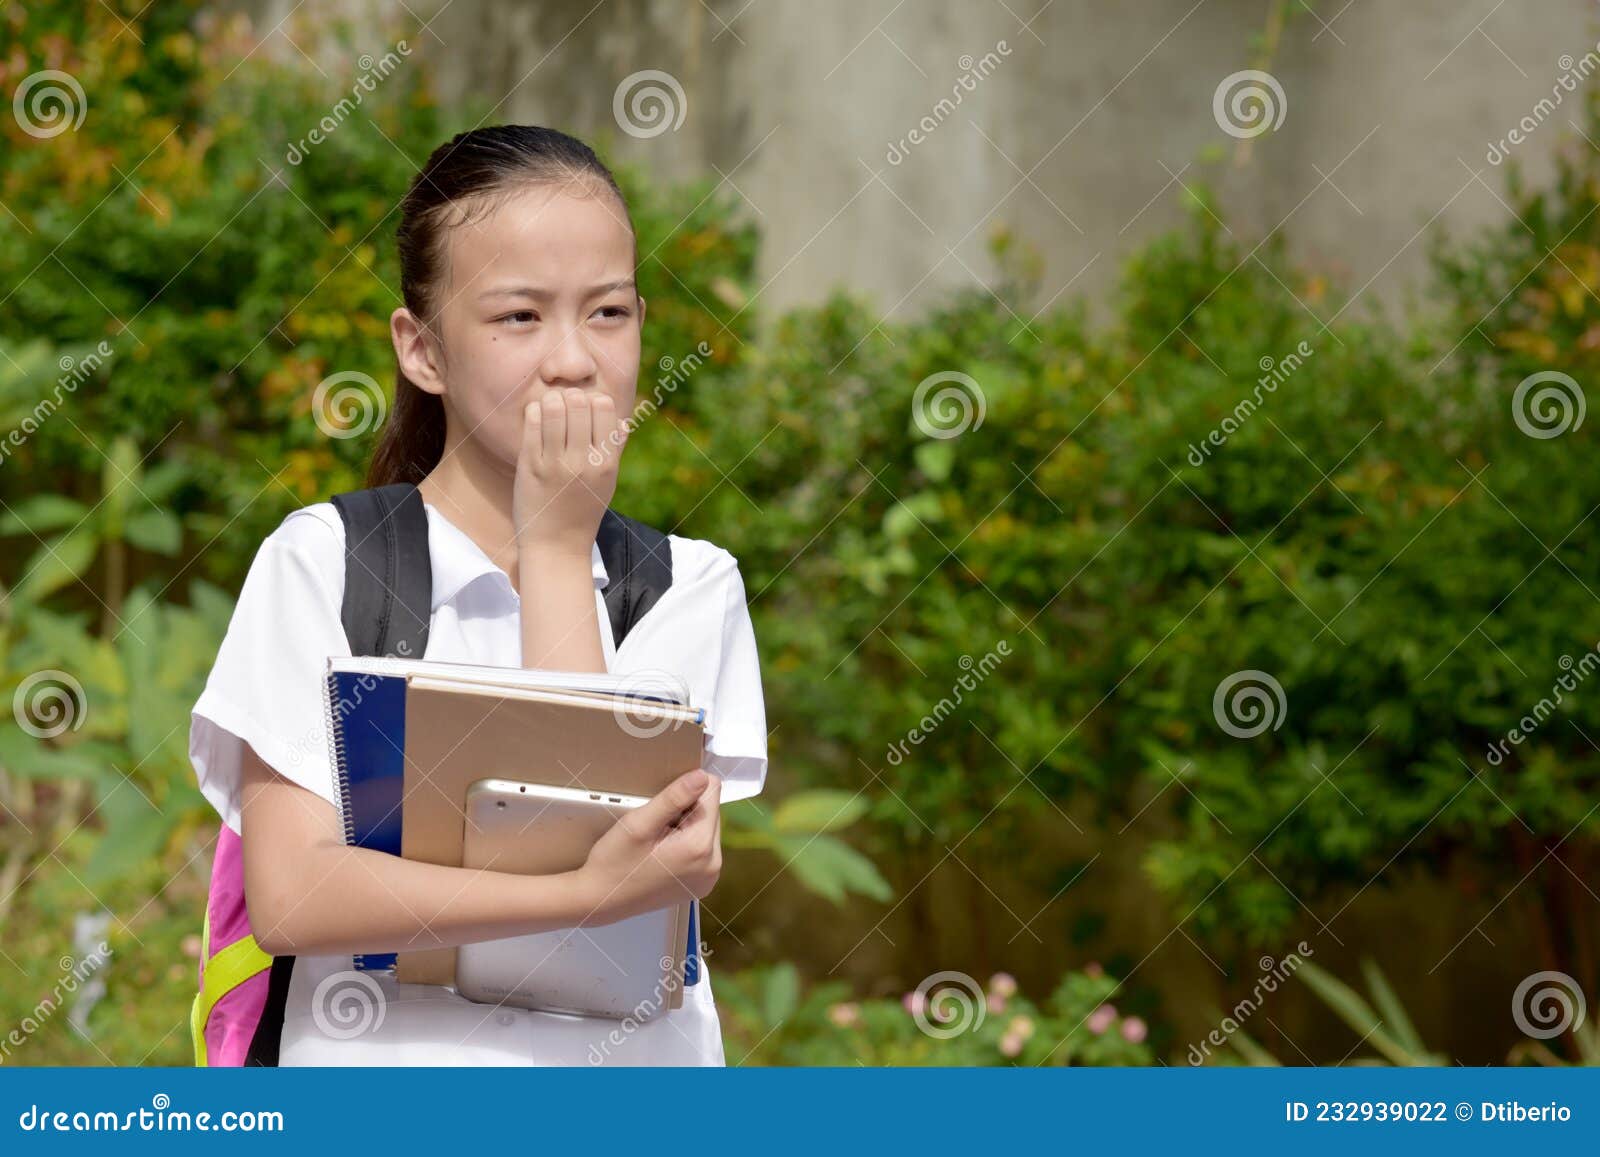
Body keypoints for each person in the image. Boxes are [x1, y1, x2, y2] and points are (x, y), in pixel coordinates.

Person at [187, 124, 768, 1065]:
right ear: (423, 350)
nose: (574, 360)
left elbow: (601, 924)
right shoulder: (325, 564)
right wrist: (584, 892)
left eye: (609, 313)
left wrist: (554, 551)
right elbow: (295, 897)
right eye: (519, 317)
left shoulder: (690, 587)